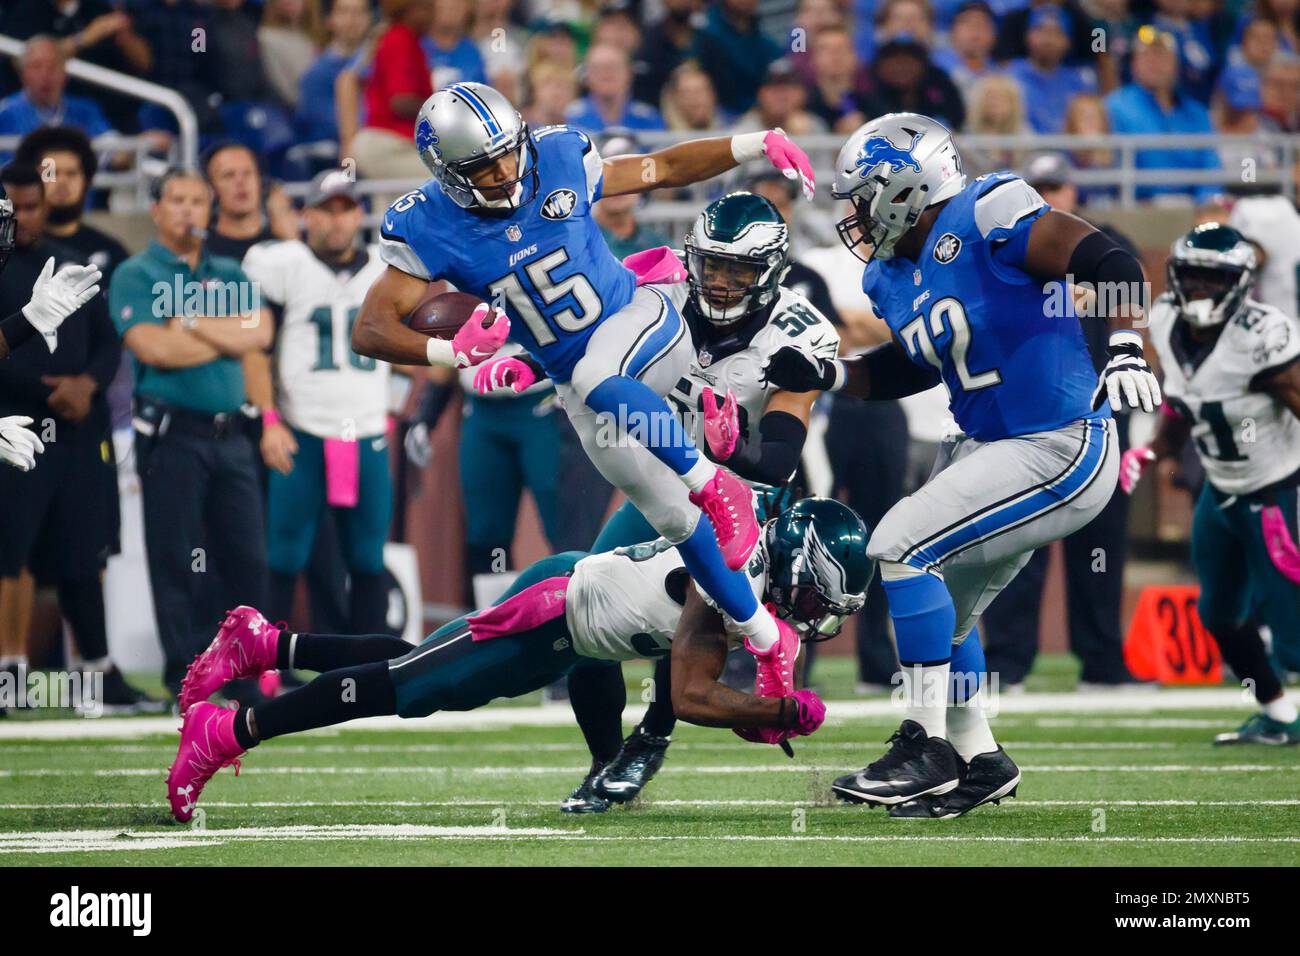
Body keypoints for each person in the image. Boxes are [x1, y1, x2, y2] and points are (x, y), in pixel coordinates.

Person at [352, 83, 819, 694]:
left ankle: (717, 482)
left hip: (641, 323)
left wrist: (754, 141)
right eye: (484, 165)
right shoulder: (429, 225)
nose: (504, 169)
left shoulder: (561, 157)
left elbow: (665, 167)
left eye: (507, 151)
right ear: (448, 173)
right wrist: (448, 349)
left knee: (603, 378)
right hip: (579, 388)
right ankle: (766, 640)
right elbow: (371, 327)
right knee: (680, 523)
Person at [763, 112, 1160, 817]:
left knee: (898, 542)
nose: (854, 213)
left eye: (863, 195)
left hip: (1058, 439)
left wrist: (1127, 343)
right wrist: (829, 372)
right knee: (942, 603)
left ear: (905, 187)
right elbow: (912, 365)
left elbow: (1110, 261)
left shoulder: (990, 210)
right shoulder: (892, 274)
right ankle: (980, 757)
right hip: (990, 447)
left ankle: (924, 743)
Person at [165, 496, 868, 822]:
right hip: (550, 616)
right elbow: (692, 696)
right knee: (403, 689)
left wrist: (773, 709)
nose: (815, 614)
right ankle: (226, 733)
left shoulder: (755, 553)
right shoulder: (726, 589)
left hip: (583, 623)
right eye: (817, 595)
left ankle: (266, 645)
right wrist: (778, 709)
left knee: (422, 666)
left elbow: (718, 698)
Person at [530, 192, 841, 811]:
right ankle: (602, 760)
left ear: (773, 272)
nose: (721, 283)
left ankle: (652, 734)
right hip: (655, 482)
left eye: (739, 270)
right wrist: (524, 359)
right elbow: (579, 343)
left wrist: (738, 451)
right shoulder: (658, 295)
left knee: (689, 626)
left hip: (740, 501)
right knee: (584, 604)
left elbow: (780, 459)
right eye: (712, 265)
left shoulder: (797, 335)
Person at [1121, 223, 1300, 745]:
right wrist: (1155, 450)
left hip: (1276, 492)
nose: (1199, 289)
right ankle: (1277, 714)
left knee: (1294, 633)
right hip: (1221, 492)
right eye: (1192, 277)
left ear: (1240, 283)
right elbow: (1181, 400)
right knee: (1219, 615)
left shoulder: (1264, 334)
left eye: (1212, 278)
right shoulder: (1165, 319)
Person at [980, 152, 1142, 689]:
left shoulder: (1107, 242)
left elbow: (1126, 289)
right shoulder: (1010, 247)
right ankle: (1007, 659)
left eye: (1057, 185)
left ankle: (1102, 661)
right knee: (1016, 546)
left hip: (1099, 410)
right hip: (1030, 413)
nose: (1051, 194)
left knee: (1100, 550)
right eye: (1040, 185)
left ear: (1076, 192)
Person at [109, 167, 272, 702]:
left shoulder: (230, 269)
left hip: (233, 434)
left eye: (197, 201)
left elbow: (262, 332)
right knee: (175, 556)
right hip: (173, 435)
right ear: (156, 210)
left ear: (210, 209)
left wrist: (192, 322)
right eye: (176, 200)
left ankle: (250, 670)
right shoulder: (137, 272)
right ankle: (186, 675)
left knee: (246, 553)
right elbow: (155, 349)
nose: (187, 211)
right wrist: (229, 336)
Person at [0, 162, 154, 712]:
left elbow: (110, 339)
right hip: (15, 426)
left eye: (27, 208)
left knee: (84, 551)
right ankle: (9, 675)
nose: (18, 222)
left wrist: (86, 384)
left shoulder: (71, 266)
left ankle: (96, 672)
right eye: (8, 211)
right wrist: (48, 393)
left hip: (79, 430)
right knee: (9, 552)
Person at [240, 169, 393, 636]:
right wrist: (269, 419)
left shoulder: (386, 267)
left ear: (359, 215)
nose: (336, 221)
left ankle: (369, 661)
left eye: (345, 210)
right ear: (307, 217)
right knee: (285, 553)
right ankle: (269, 664)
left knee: (368, 556)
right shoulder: (282, 263)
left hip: (365, 431)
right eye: (326, 211)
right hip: (302, 430)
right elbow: (255, 349)